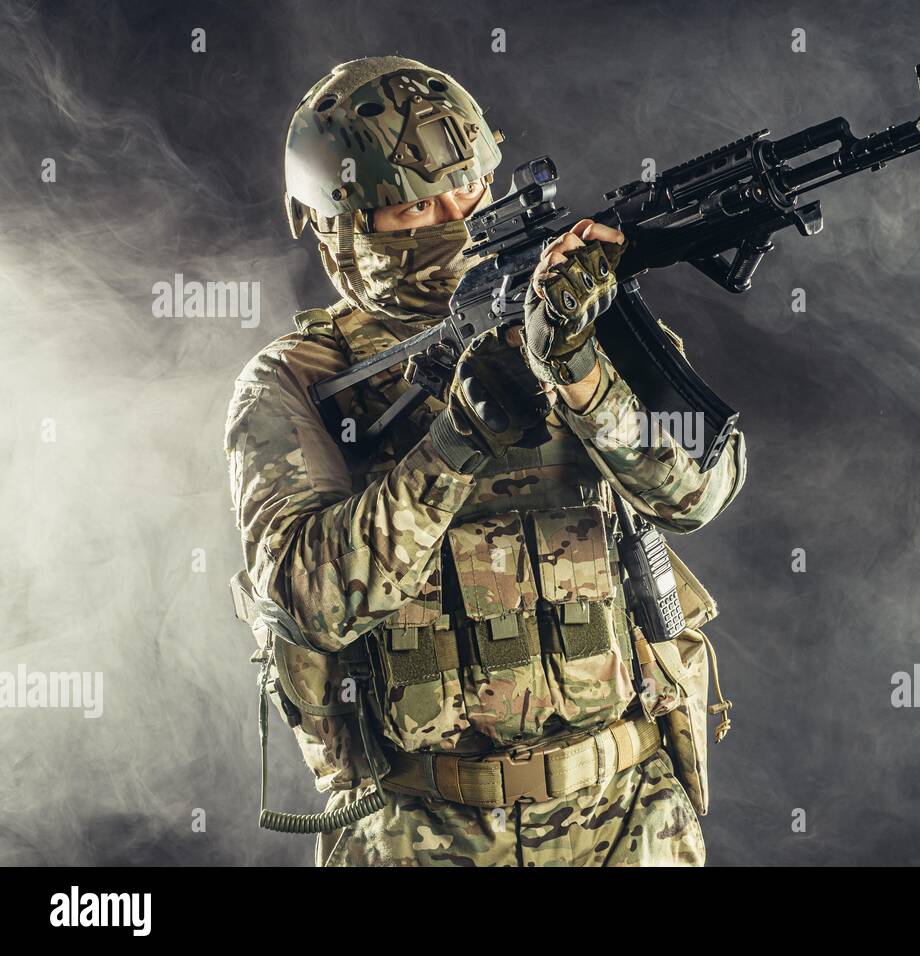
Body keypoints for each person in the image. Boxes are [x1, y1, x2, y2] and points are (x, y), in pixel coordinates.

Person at [225, 56, 746, 866]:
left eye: (467, 191)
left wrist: (579, 373)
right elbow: (310, 599)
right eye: (411, 209)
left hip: (630, 813)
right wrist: (457, 441)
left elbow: (701, 493)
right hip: (422, 830)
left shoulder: (573, 309)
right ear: (340, 222)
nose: (453, 220)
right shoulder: (301, 379)